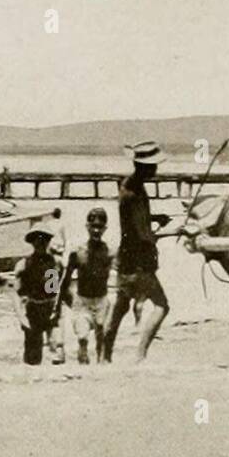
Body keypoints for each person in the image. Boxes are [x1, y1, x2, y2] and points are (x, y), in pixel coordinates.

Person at [103, 140, 170, 363]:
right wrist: (167, 233)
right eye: (153, 166)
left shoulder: (129, 186)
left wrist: (155, 218)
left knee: (120, 308)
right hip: (140, 263)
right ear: (144, 166)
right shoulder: (134, 193)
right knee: (161, 305)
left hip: (125, 261)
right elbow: (142, 234)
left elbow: (135, 221)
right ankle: (140, 354)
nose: (156, 170)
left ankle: (105, 357)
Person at [55, 207, 112, 364]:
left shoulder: (109, 252)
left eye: (99, 227)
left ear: (104, 229)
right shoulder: (78, 252)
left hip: (102, 300)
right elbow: (65, 280)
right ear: (87, 227)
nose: (96, 230)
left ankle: (101, 368)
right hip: (82, 301)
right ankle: (83, 363)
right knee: (82, 338)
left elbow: (120, 275)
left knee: (101, 335)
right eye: (93, 226)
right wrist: (59, 303)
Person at [13, 222, 65, 365]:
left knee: (57, 350)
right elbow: (17, 294)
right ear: (32, 241)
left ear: (48, 241)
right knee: (32, 358)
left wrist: (61, 310)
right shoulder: (23, 264)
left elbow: (54, 291)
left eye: (44, 239)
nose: (40, 242)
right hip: (32, 311)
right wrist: (21, 316)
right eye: (37, 239)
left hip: (50, 310)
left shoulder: (54, 262)